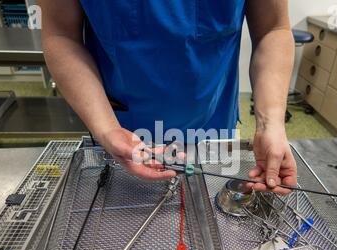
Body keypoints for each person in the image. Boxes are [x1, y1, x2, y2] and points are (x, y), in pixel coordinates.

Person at [39, 0, 297, 194]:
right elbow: (61, 35)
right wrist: (106, 129)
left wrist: (270, 123)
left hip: (213, 127)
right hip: (121, 131)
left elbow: (272, 29)